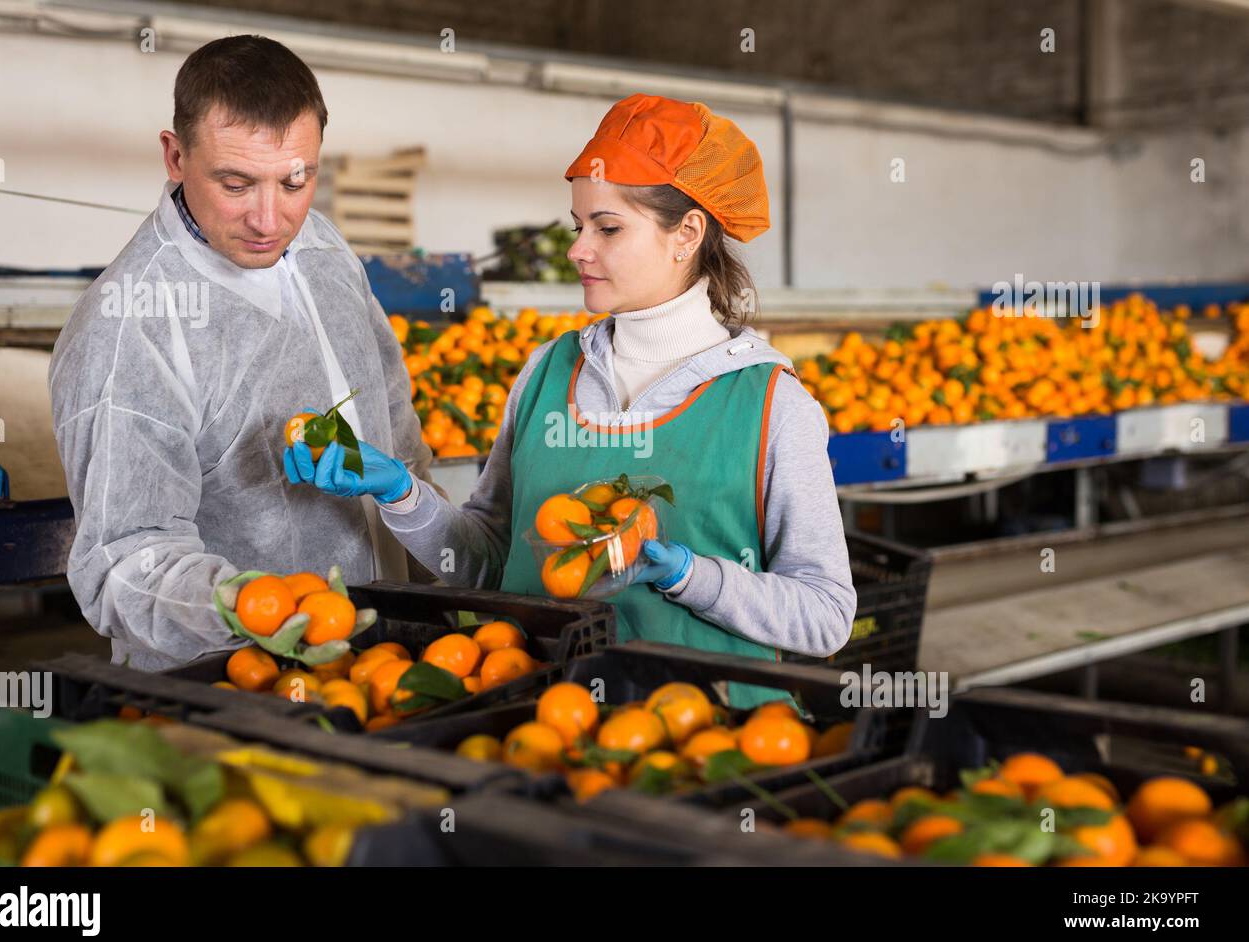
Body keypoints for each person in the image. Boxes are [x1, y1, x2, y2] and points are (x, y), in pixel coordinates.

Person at [289, 94, 855, 707]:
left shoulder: (770, 404)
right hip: (536, 723)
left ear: (686, 234)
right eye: (577, 226)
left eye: (607, 228)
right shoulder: (548, 372)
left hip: (703, 749)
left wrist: (693, 577)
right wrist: (400, 494)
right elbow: (487, 565)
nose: (578, 249)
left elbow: (825, 616)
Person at [50, 35, 432, 671]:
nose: (270, 219)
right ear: (175, 156)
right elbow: (125, 562)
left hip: (379, 657)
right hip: (234, 683)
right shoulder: (131, 327)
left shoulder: (321, 246)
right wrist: (250, 605)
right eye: (236, 183)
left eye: (295, 180)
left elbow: (393, 419)